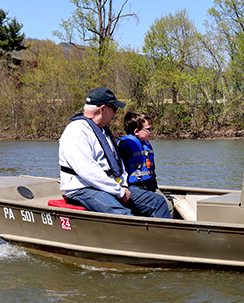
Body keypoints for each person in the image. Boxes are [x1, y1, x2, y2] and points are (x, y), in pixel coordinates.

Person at [58, 87, 172, 219]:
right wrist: (119, 192)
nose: (116, 113)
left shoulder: (103, 131)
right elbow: (88, 171)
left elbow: (117, 163)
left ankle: (164, 232)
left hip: (110, 187)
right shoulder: (76, 131)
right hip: (83, 189)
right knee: (123, 215)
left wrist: (123, 185)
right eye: (114, 109)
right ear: (102, 109)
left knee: (158, 202)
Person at [117, 111, 158, 192]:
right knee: (160, 200)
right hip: (132, 187)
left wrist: (155, 188)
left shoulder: (146, 145)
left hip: (148, 185)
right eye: (148, 129)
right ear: (136, 131)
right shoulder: (124, 146)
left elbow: (152, 172)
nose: (151, 132)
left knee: (162, 198)